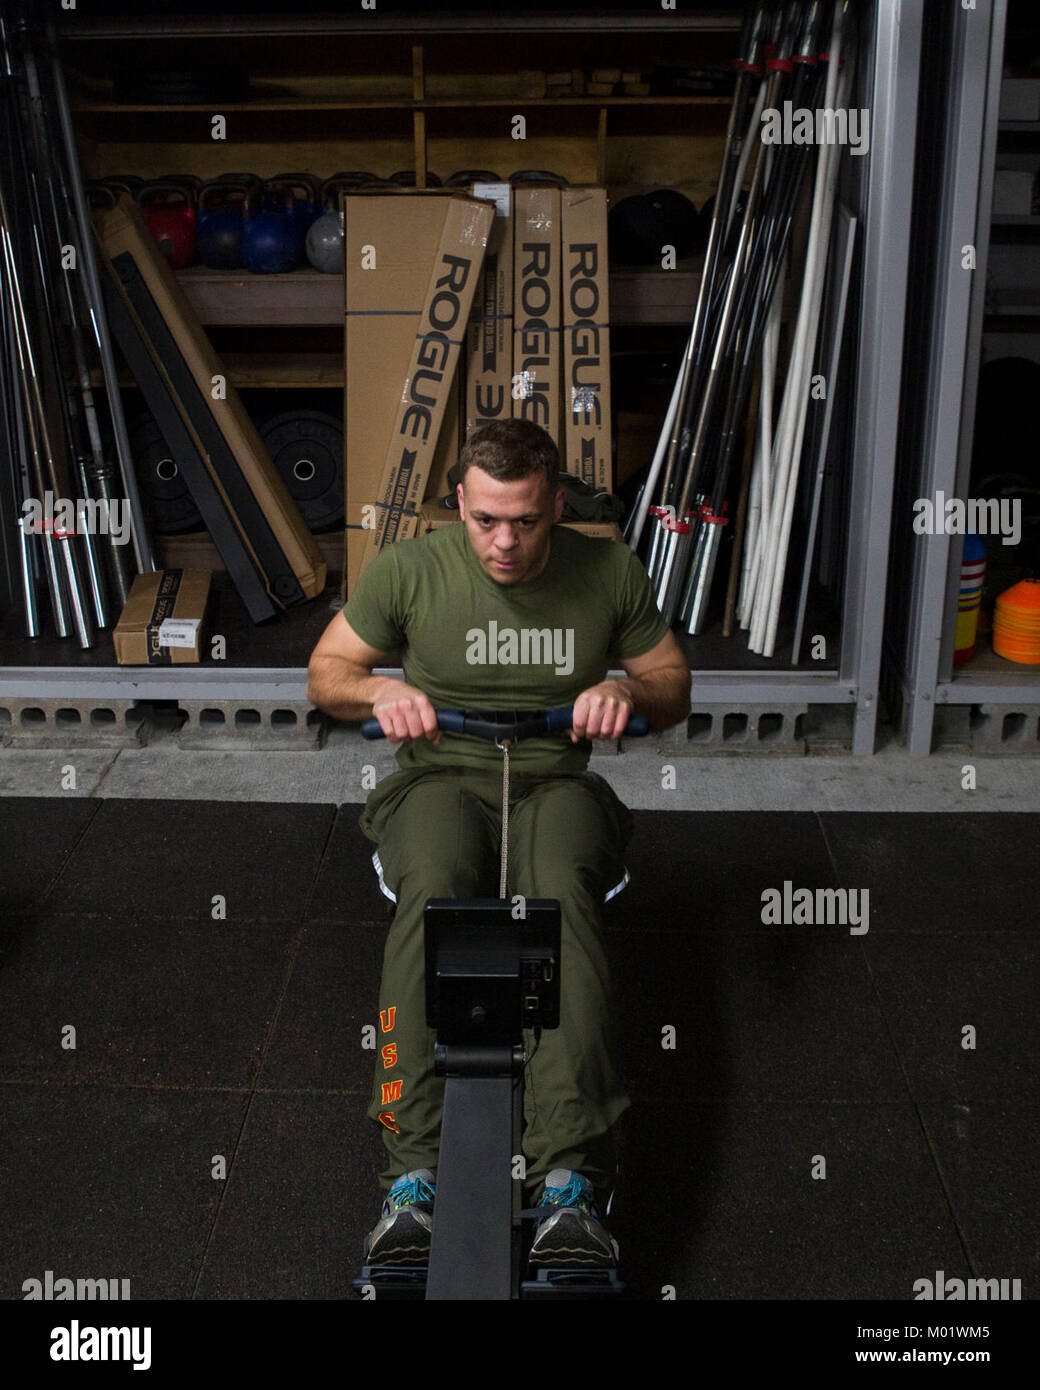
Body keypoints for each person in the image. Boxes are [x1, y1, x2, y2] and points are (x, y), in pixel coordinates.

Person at [306, 418, 690, 1273]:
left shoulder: (608, 571)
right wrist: (378, 689)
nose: (505, 542)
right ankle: (411, 1180)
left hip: (557, 780)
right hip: (441, 775)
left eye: (524, 521)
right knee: (437, 888)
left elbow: (674, 686)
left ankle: (571, 1185)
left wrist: (628, 687)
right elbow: (325, 673)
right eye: (485, 521)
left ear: (557, 505)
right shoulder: (410, 569)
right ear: (460, 507)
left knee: (560, 898)